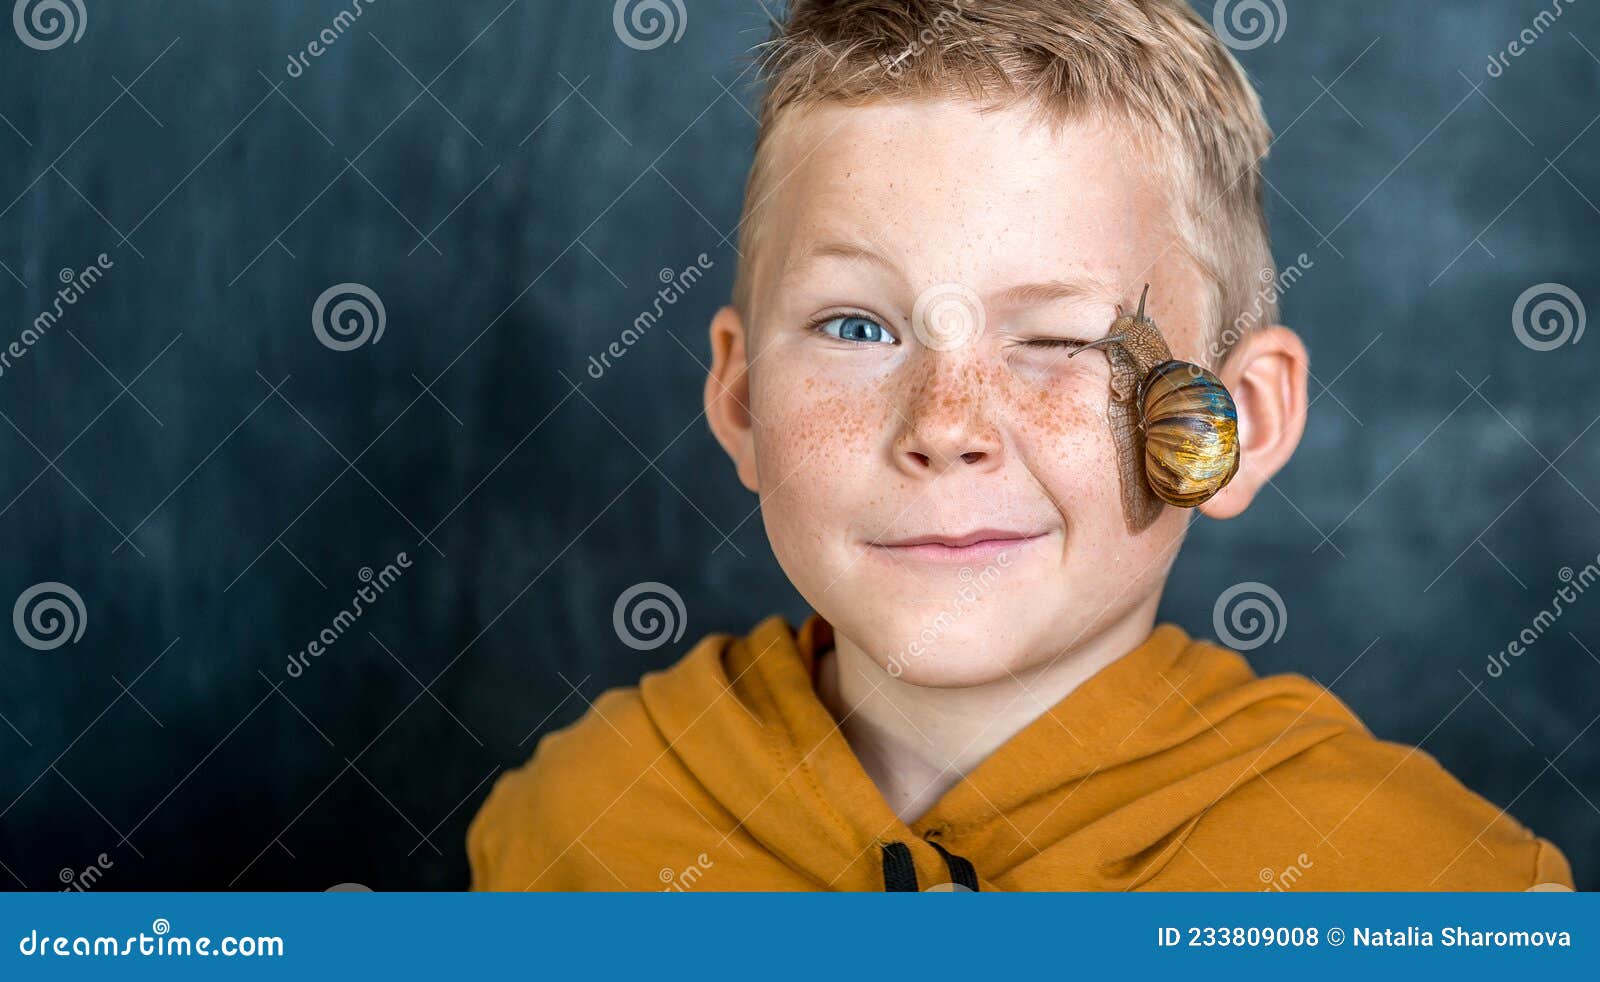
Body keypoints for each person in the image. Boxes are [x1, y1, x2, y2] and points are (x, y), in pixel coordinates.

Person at [468, 0, 1572, 891]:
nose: (946, 426)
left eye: (1058, 339)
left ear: (1239, 422)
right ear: (744, 399)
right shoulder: (569, 832)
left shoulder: (1434, 888)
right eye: (857, 327)